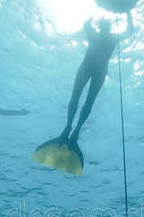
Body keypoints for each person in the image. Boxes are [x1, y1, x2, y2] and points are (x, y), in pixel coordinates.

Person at [32, 12, 134, 175]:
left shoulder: (107, 36)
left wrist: (126, 13)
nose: (104, 26)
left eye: (104, 24)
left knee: (86, 100)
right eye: (103, 24)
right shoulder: (105, 35)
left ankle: (74, 129)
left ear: (104, 26)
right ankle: (70, 128)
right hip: (92, 68)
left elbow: (127, 31)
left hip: (92, 68)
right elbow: (88, 24)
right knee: (80, 98)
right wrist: (123, 12)